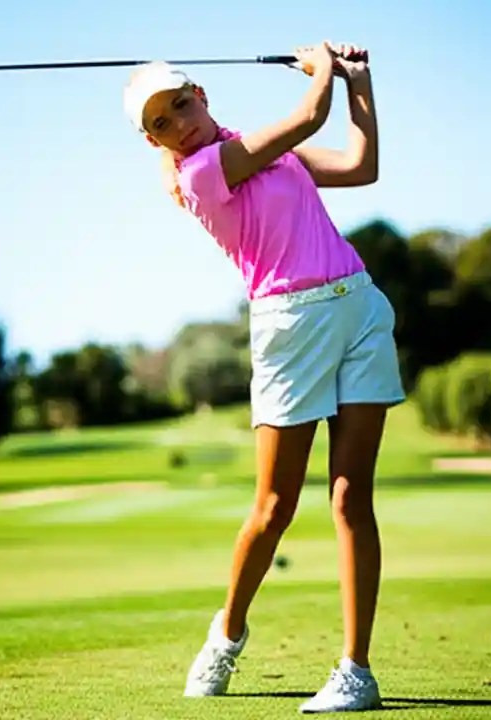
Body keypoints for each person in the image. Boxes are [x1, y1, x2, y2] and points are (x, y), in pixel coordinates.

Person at [121, 41, 405, 713]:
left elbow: (361, 167)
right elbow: (308, 118)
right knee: (274, 508)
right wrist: (325, 70)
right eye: (162, 123)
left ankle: (356, 671)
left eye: (182, 105)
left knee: (349, 499)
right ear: (154, 141)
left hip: (359, 307)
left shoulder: (260, 149)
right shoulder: (201, 175)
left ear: (203, 95)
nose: (180, 124)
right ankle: (226, 634)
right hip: (289, 326)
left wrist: (359, 84)